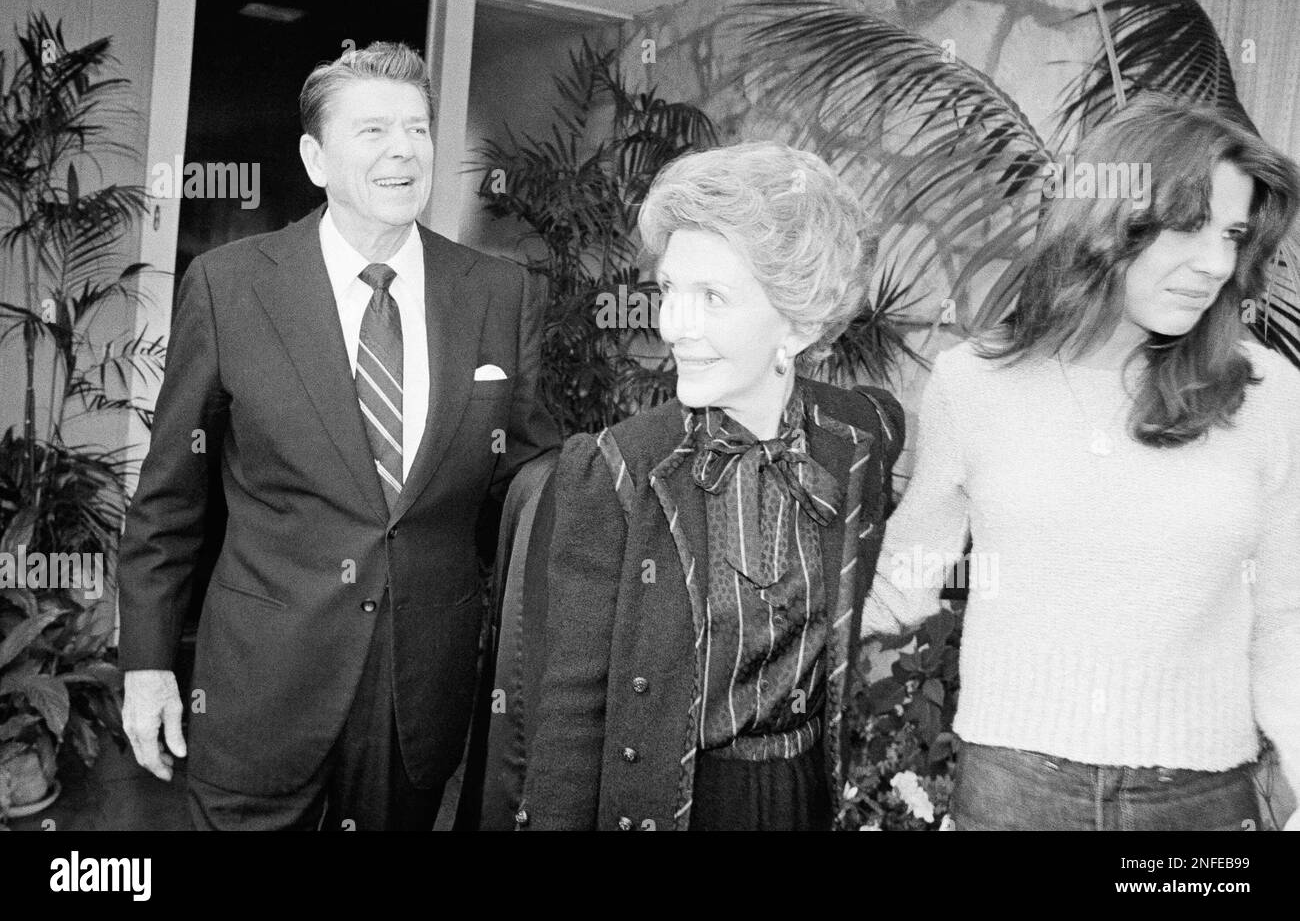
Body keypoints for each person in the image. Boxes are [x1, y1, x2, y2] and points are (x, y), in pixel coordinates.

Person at [117, 41, 559, 830]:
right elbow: (167, 502)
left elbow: (526, 472)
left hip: (416, 697)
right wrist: (147, 663)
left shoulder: (498, 290)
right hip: (261, 688)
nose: (403, 150)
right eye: (373, 130)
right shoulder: (230, 286)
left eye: (418, 129)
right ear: (315, 157)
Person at [863, 96, 1300, 831]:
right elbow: (908, 575)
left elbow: (1288, 611)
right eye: (1189, 227)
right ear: (1105, 220)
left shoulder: (1270, 396)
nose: (1217, 263)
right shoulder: (973, 382)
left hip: (1200, 806)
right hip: (1013, 792)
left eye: (1231, 234)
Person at [517, 141, 904, 831]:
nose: (672, 326)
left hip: (808, 797)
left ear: (801, 321)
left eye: (712, 297)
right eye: (669, 291)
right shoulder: (614, 471)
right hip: (675, 805)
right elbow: (570, 720)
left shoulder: (857, 440)